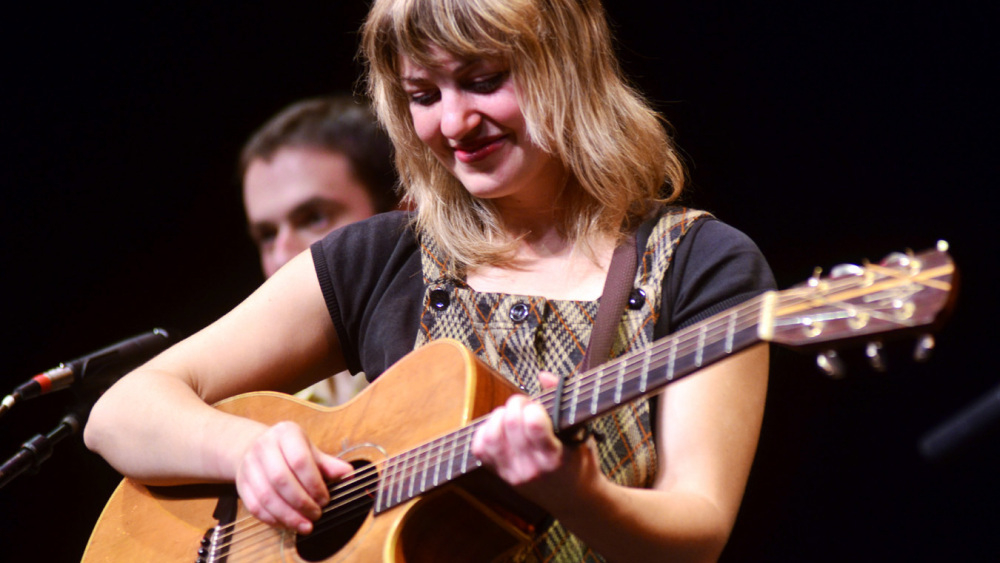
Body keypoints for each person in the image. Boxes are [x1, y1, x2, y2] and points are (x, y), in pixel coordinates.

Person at [85, 0, 774, 561]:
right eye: (423, 94)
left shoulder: (698, 263)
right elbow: (121, 412)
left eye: (483, 80)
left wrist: (578, 491)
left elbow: (698, 530)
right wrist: (248, 451)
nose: (453, 122)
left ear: (567, 65)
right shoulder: (385, 257)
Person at [240, 95, 399, 405]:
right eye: (268, 235)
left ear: (400, 210)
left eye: (314, 218)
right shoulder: (265, 404)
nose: (282, 255)